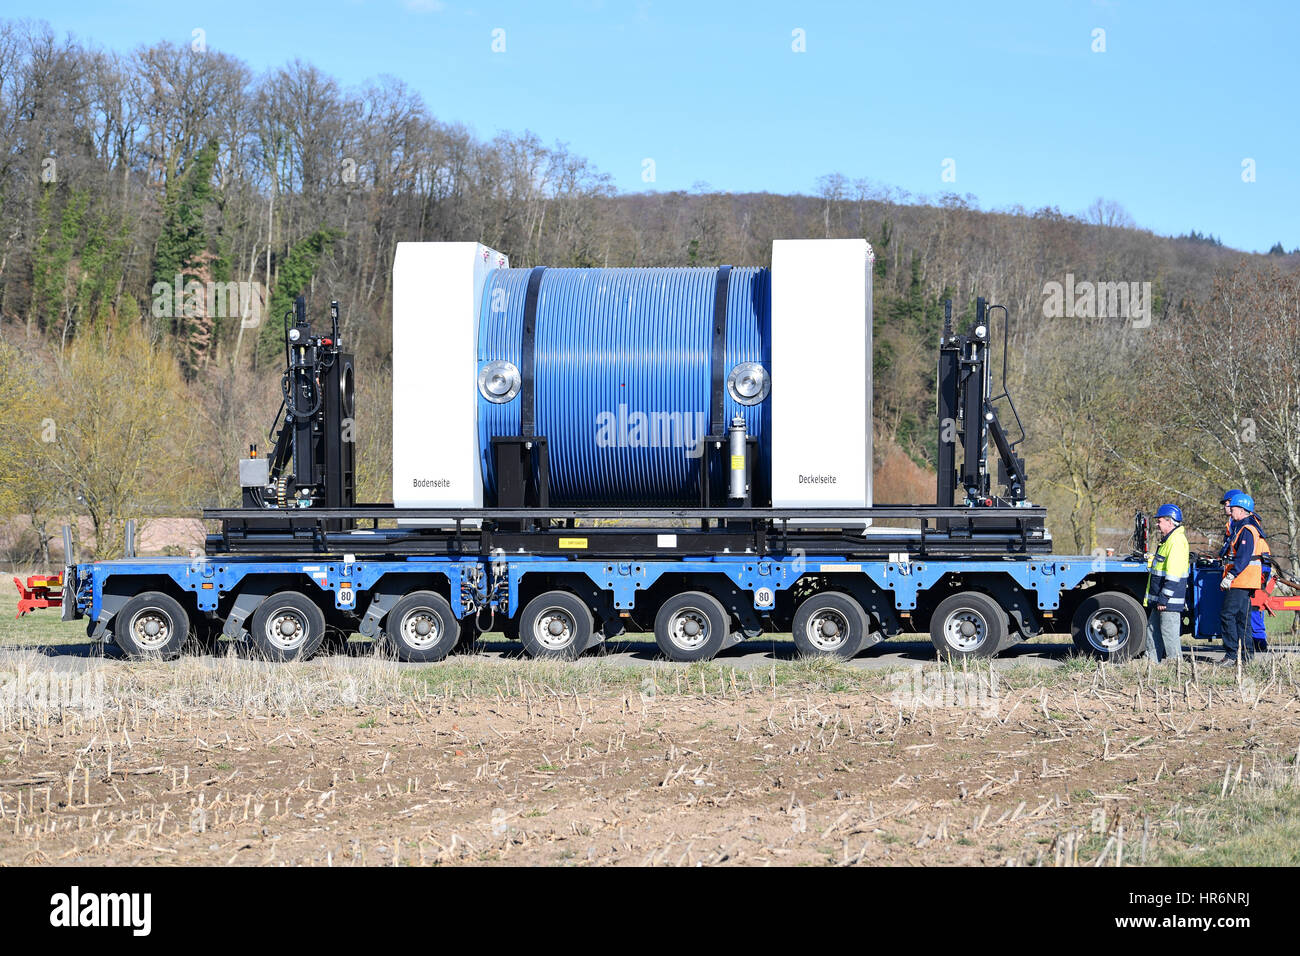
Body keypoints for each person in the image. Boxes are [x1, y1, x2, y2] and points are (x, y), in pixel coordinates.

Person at [1219, 492, 1271, 665]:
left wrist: (1230, 576)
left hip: (1241, 580)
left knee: (1227, 615)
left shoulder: (1246, 529)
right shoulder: (1244, 526)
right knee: (1243, 620)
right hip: (1245, 581)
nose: (1230, 511)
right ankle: (1247, 657)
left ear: (1241, 510)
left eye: (1232, 508)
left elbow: (1243, 557)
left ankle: (1232, 654)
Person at [1144, 504, 1189, 661]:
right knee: (1152, 629)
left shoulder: (1176, 542)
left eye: (1160, 521)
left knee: (1169, 633)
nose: (1157, 524)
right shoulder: (1169, 540)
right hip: (1161, 598)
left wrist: (1164, 597)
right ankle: (1151, 662)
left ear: (1170, 522)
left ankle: (1175, 666)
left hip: (1167, 599)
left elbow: (1174, 574)